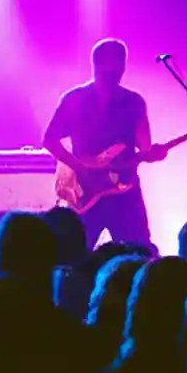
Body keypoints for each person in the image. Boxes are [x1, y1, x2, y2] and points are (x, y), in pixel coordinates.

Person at [43, 38, 158, 249]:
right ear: (95, 64)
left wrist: (151, 154)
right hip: (86, 191)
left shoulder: (134, 102)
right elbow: (49, 140)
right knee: (75, 255)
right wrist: (80, 168)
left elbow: (145, 148)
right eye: (110, 65)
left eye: (119, 64)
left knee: (138, 251)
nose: (116, 71)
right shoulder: (74, 99)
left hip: (124, 189)